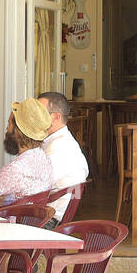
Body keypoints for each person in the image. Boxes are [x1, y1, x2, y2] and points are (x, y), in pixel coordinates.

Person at [37, 90, 89, 223]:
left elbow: (32, 188)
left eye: (39, 113)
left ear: (55, 117)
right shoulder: (59, 141)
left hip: (46, 221)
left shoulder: (59, 148)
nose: (34, 118)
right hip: (46, 213)